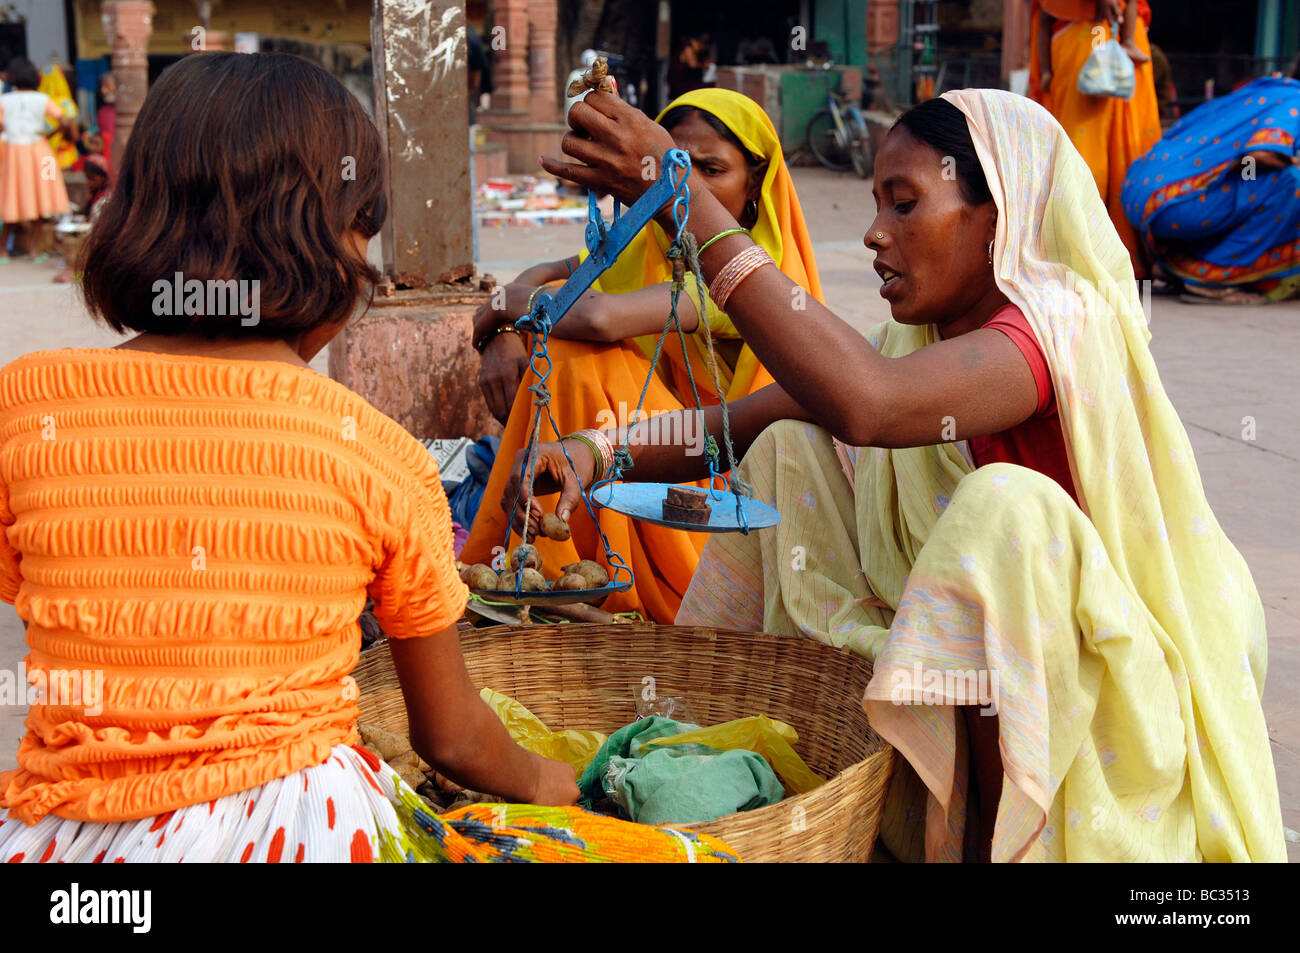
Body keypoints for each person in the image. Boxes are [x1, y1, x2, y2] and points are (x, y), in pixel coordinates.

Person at [507, 86, 1286, 861]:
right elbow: (741, 424)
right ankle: (795, 764)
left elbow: (868, 406)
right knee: (785, 449)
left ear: (996, 215)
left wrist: (685, 201)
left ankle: (988, 845)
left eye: (905, 204)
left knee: (1006, 509)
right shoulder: (916, 342)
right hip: (986, 669)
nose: (875, 233)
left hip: (1097, 690)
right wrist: (594, 453)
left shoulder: (1059, 328)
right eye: (877, 204)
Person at [0, 52, 736, 864]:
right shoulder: (374, 454)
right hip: (298, 833)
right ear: (332, 246)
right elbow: (452, 738)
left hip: (69, 837)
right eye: (362, 233)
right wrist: (551, 781)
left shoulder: (28, 406)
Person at [463, 88, 822, 623]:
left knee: (580, 357)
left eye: (711, 171)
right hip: (643, 449)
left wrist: (505, 309)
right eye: (676, 170)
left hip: (709, 476)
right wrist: (502, 333)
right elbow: (550, 275)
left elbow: (600, 317)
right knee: (563, 337)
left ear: (754, 184)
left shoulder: (748, 273)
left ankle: (584, 572)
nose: (688, 189)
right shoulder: (651, 242)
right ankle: (552, 562)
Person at [1121, 68, 1300, 305]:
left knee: (1255, 181)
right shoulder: (1295, 101)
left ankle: (1175, 266)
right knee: (1291, 181)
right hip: (1175, 205)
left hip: (1141, 192)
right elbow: (1258, 155)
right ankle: (1210, 279)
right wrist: (1256, 178)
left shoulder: (1262, 90)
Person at [1029, 0, 1160, 277]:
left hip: (1088, 38)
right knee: (1085, 155)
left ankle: (1089, 255)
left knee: (1105, 151)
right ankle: (1084, 254)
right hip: (1087, 36)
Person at [0, 57, 73, 261]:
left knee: (12, 195)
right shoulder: (42, 99)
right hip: (41, 151)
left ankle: (3, 250)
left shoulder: (4, 100)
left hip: (14, 152)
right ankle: (35, 251)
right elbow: (64, 119)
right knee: (42, 194)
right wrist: (50, 135)